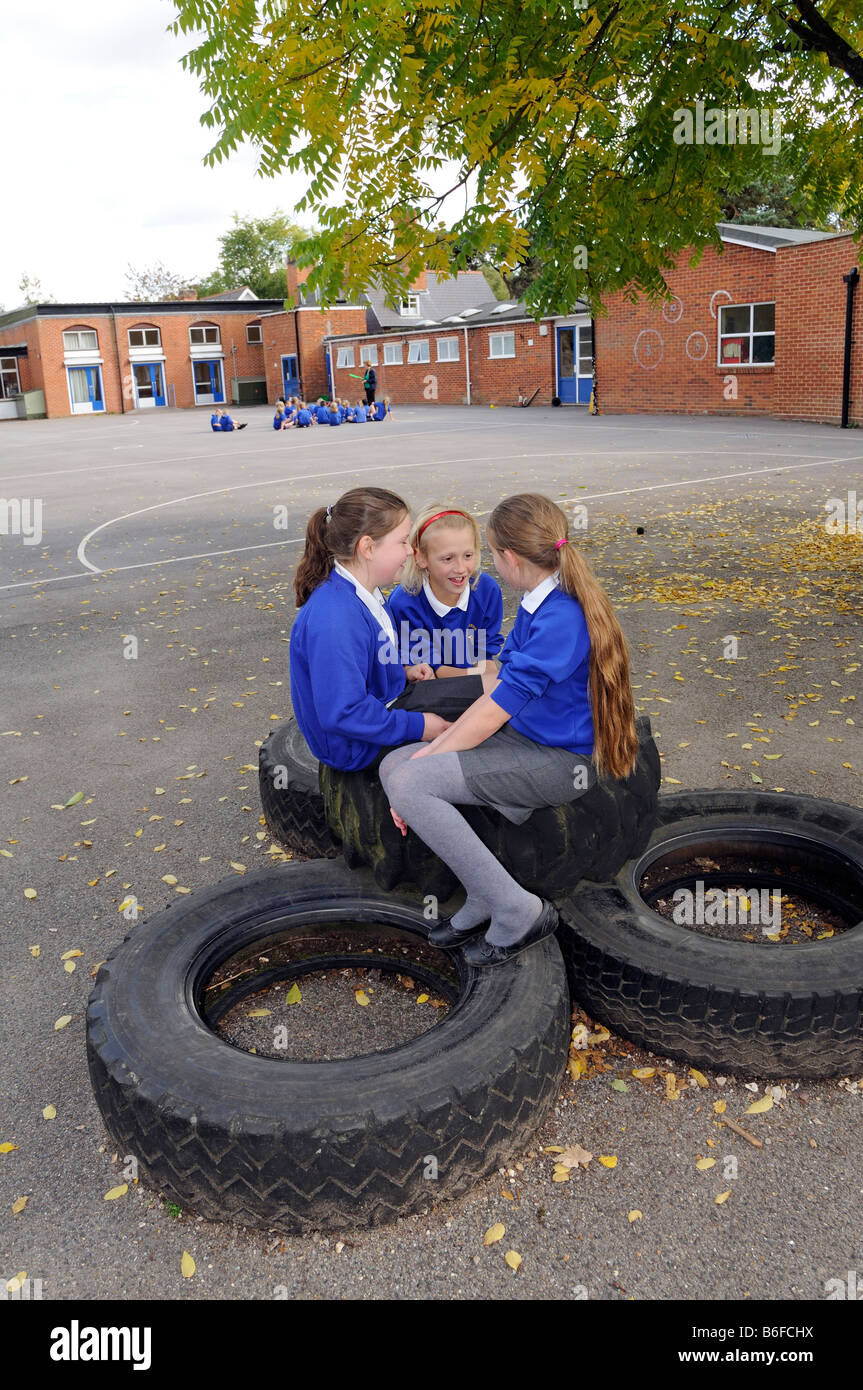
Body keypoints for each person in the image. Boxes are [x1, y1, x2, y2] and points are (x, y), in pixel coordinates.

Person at [380, 493, 638, 967]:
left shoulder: (562, 616)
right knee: (393, 765)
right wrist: (422, 750)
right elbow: (495, 676)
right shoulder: (538, 600)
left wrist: (424, 764)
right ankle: (486, 893)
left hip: (559, 759)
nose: (487, 566)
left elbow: (495, 709)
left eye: (488, 554)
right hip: (527, 737)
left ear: (508, 556)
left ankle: (519, 911)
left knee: (411, 776)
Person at [289, 488, 452, 774]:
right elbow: (344, 712)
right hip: (356, 748)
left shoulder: (365, 591)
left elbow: (365, 660)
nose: (410, 551)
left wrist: (400, 670)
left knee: (487, 692)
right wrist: (421, 726)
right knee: (477, 723)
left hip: (380, 712)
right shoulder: (334, 618)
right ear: (368, 548)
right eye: (403, 541)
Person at [388, 506, 504, 677]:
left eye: (468, 555)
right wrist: (483, 679)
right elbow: (432, 670)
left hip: (471, 680)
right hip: (430, 690)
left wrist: (489, 677)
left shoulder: (486, 590)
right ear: (421, 558)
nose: (460, 568)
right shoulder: (406, 602)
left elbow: (484, 655)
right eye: (448, 558)